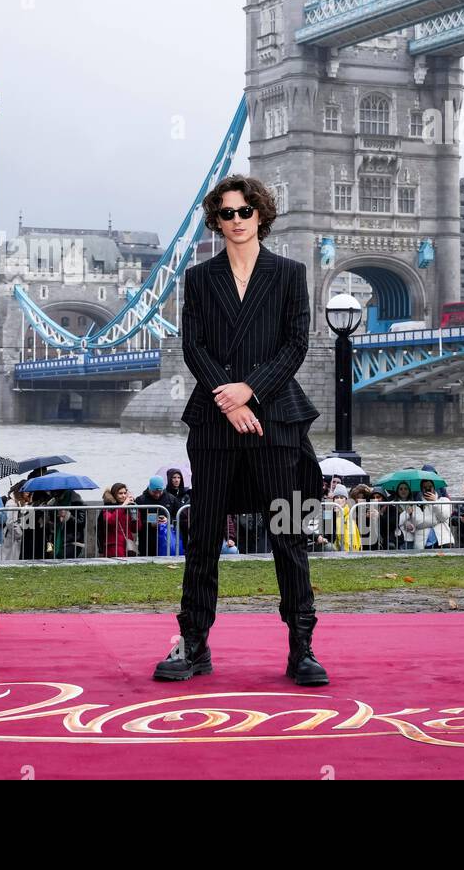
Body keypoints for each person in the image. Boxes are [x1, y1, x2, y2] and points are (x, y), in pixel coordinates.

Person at [153, 174, 328, 686]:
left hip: (277, 422)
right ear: (216, 220)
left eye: (244, 212)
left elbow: (296, 345)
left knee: (289, 535)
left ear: (261, 216)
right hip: (214, 423)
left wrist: (249, 390)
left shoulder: (291, 274)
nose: (235, 221)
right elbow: (194, 347)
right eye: (226, 213)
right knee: (203, 538)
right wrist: (227, 401)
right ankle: (193, 646)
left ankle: (302, 650)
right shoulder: (200, 278)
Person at [136, 476, 181, 558]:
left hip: (166, 537)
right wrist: (150, 523)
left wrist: (169, 520)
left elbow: (179, 515)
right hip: (147, 538)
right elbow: (137, 521)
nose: (157, 495)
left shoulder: (171, 499)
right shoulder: (141, 500)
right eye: (154, 492)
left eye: (160, 492)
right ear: (149, 488)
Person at [99, 483, 137, 558]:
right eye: (120, 493)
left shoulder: (129, 507)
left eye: (125, 493)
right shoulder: (108, 508)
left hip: (128, 544)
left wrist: (134, 510)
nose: (123, 496)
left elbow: (136, 528)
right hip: (113, 545)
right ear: (114, 495)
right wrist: (123, 506)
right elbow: (110, 521)